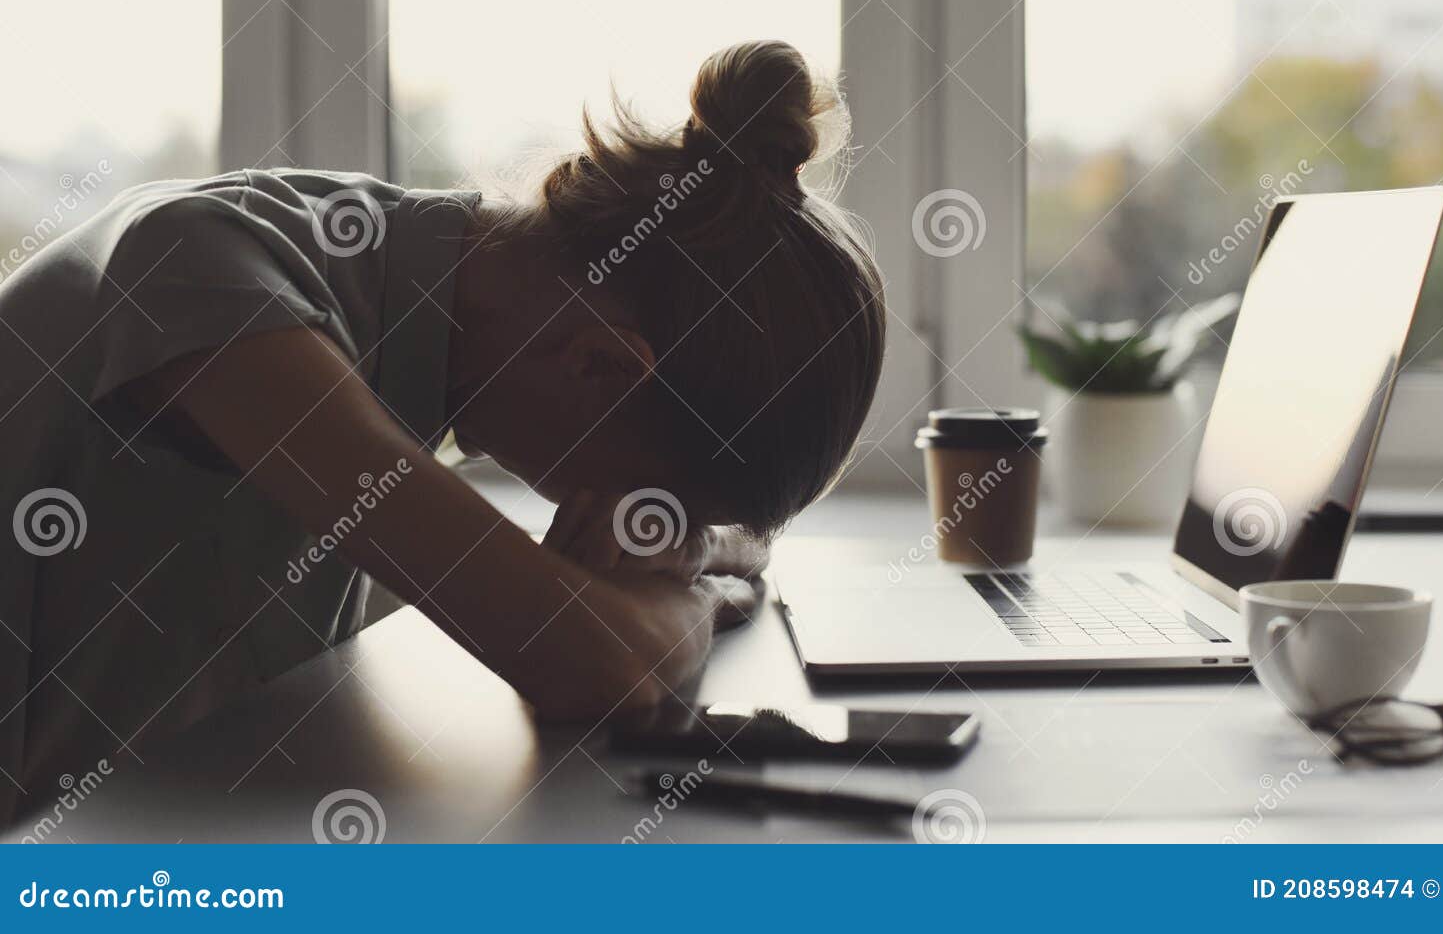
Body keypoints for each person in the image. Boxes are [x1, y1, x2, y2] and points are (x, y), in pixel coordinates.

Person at [0, 40, 887, 822]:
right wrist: (692, 593)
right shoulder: (213, 279)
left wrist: (700, 560)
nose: (649, 542)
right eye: (660, 511)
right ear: (601, 366)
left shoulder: (383, 322)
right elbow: (592, 667)